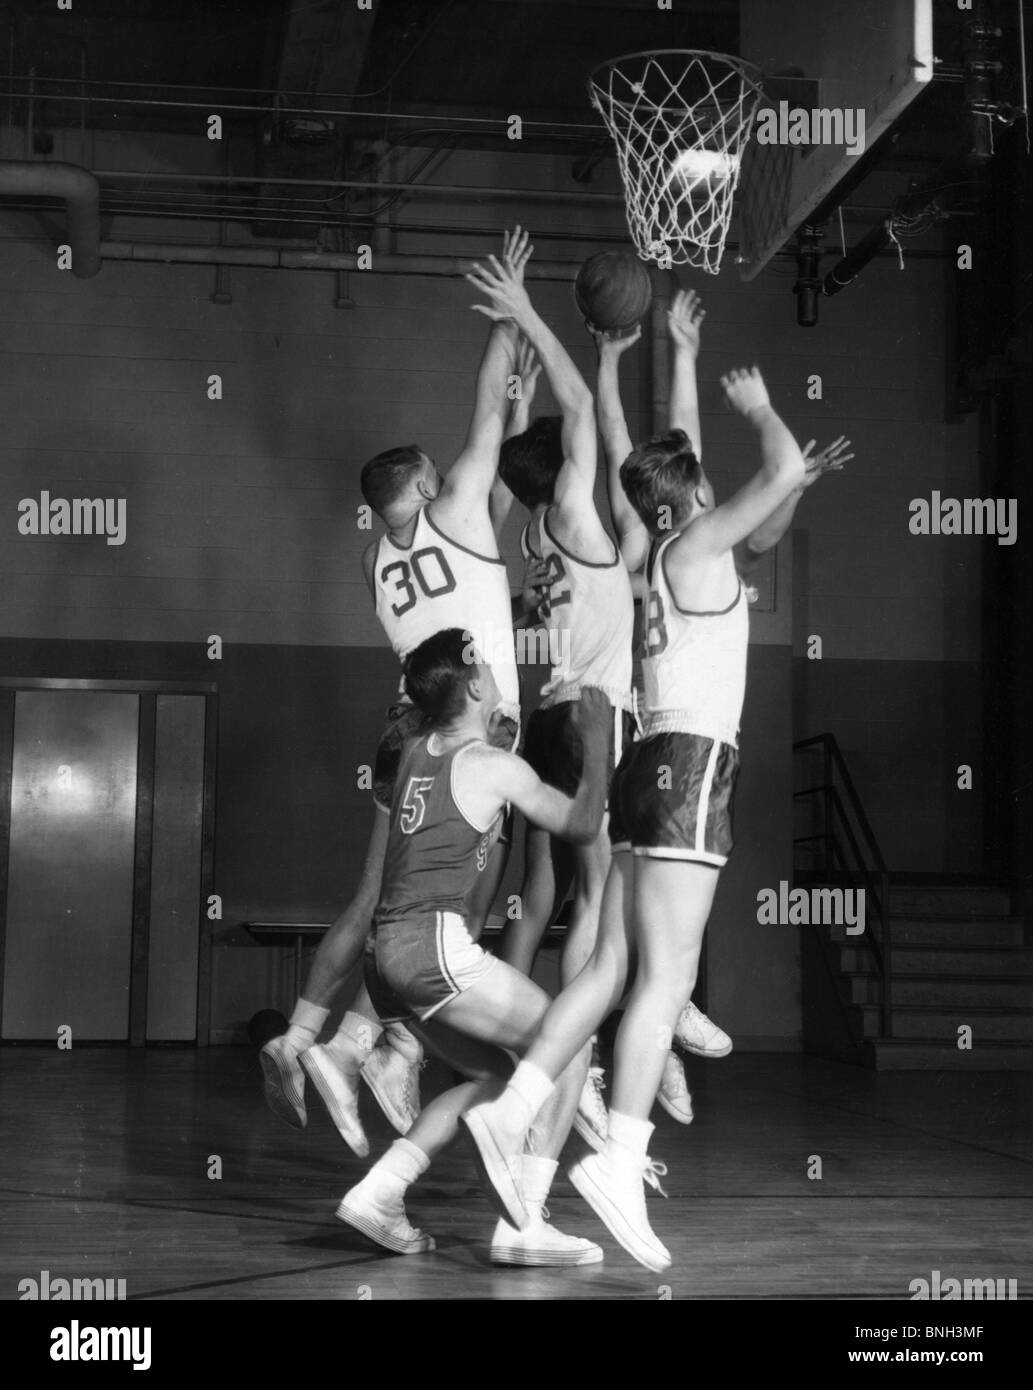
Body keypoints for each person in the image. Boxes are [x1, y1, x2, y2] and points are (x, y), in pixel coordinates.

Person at [462, 360, 813, 1272]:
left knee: (614, 960)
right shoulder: (695, 547)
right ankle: (618, 1156)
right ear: (692, 493)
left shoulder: (658, 551)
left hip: (643, 760)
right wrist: (764, 407)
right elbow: (775, 475)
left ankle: (517, 1099)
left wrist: (684, 362)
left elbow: (678, 459)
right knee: (668, 975)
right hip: (693, 758)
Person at [261, 229, 534, 1156]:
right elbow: (485, 429)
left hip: (403, 722)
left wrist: (514, 392)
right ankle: (387, 1045)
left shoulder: (381, 559)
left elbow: (487, 534)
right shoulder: (449, 506)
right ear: (423, 482)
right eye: (438, 469)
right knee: (465, 901)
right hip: (467, 725)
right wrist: (507, 312)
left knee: (382, 896)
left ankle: (321, 1036)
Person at [336, 630, 612, 1265]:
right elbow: (580, 824)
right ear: (477, 685)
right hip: (433, 948)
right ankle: (525, 1225)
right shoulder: (492, 766)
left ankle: (381, 1191)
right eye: (486, 663)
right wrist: (597, 748)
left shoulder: (415, 750)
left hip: (386, 960)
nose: (494, 668)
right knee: (567, 1043)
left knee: (497, 1077)